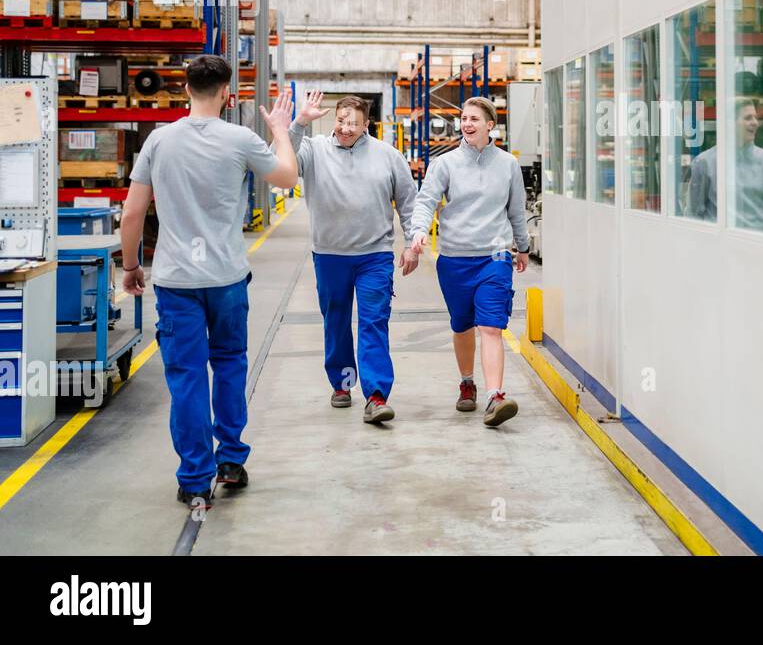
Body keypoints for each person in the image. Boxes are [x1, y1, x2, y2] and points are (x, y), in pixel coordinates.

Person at [120, 55, 298, 509]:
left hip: (177, 280)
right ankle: (231, 460)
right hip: (226, 278)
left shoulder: (159, 142)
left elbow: (133, 213)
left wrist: (131, 266)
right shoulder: (240, 139)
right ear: (226, 93)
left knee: (186, 377)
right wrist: (280, 130)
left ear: (185, 90)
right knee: (230, 365)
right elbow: (287, 177)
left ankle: (196, 478)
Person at [290, 91, 419, 423]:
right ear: (334, 119)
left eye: (354, 123)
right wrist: (301, 122)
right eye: (341, 121)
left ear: (367, 124)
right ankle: (343, 385)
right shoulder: (313, 150)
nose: (346, 129)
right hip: (330, 255)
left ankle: (376, 396)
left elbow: (408, 202)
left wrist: (411, 242)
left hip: (374, 256)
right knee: (336, 323)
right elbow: (282, 160)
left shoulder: (388, 156)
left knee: (374, 322)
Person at [403, 96, 529, 427]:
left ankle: (495, 395)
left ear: (491, 125)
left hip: (495, 256)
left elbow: (516, 209)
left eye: (474, 118)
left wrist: (524, 246)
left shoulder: (507, 164)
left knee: (490, 326)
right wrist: (417, 232)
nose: (467, 124)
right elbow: (426, 200)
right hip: (455, 258)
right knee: (462, 325)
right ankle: (467, 382)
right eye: (464, 118)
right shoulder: (444, 164)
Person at [688, 97, 763, 234]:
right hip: (721, 249)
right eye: (748, 118)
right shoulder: (704, 162)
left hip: (762, 248)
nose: (755, 123)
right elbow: (693, 214)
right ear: (729, 123)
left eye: (755, 118)